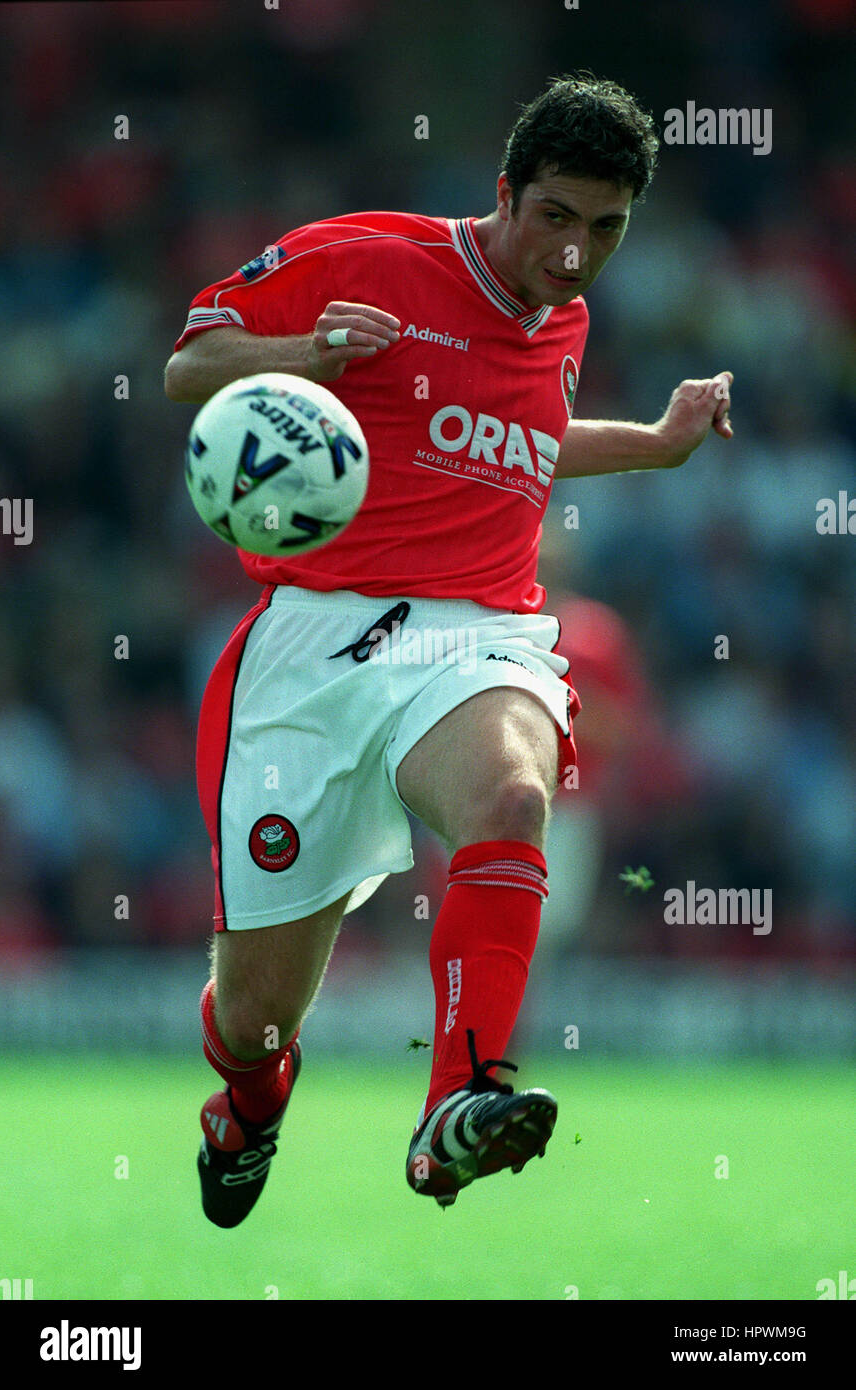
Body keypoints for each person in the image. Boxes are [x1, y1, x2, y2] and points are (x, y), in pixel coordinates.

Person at [164, 73, 733, 1226]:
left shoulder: (561, 316)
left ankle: (453, 1104)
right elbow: (187, 367)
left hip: (475, 631)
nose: (576, 255)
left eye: (606, 228)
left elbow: (516, 439)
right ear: (503, 195)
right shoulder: (366, 256)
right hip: (311, 641)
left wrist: (656, 445)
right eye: (556, 218)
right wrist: (308, 352)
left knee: (516, 793)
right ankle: (250, 1103)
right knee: (254, 1018)